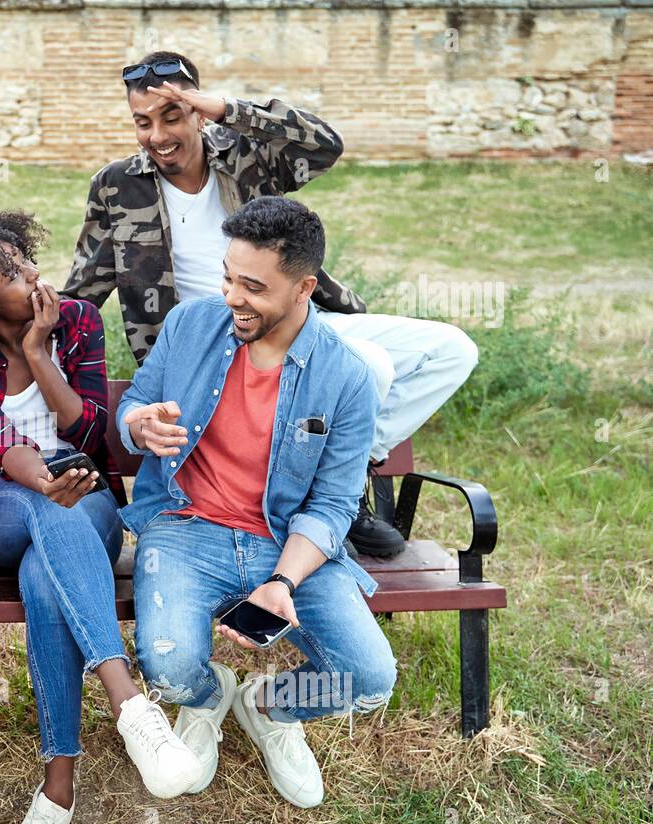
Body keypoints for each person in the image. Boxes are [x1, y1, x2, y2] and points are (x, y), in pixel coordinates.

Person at [64, 51, 479, 558]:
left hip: (295, 319)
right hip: (203, 350)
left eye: (172, 115)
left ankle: (344, 471)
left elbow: (326, 146)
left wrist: (229, 110)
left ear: (198, 111)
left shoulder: (244, 154)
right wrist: (21, 331)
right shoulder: (116, 186)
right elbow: (84, 286)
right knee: (368, 365)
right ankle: (340, 497)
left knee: (451, 349)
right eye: (142, 122)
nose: (157, 135)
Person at [0, 205, 202, 824]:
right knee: (50, 512)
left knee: (49, 569)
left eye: (25, 260)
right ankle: (130, 705)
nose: (31, 276)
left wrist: (40, 354)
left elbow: (92, 433)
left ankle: (56, 793)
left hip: (85, 501)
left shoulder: (74, 322)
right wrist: (42, 484)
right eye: (8, 273)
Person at [118, 196, 398, 809]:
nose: (232, 297)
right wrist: (139, 424)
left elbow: (332, 503)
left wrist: (282, 582)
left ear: (304, 287)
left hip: (288, 542)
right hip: (184, 526)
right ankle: (206, 696)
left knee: (371, 680)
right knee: (167, 669)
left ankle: (268, 707)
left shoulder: (345, 377)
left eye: (252, 286)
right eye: (227, 276)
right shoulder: (190, 326)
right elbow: (134, 399)